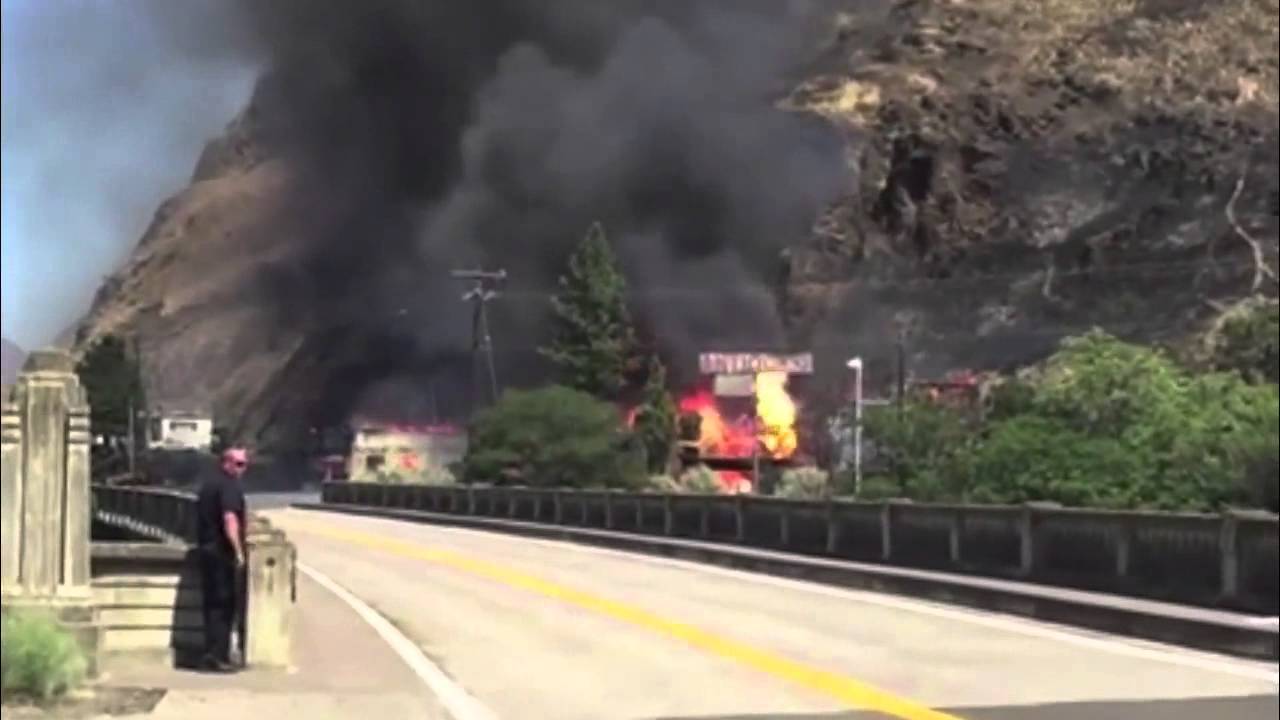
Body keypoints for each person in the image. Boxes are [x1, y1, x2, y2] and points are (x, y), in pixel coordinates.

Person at [195, 446, 248, 671]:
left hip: (206, 549)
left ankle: (212, 653)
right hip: (221, 553)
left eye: (243, 464)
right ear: (225, 463)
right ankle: (218, 656)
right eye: (237, 463)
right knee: (224, 605)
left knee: (211, 605)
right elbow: (230, 519)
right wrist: (237, 551)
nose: (241, 469)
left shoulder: (208, 485)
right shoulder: (229, 486)